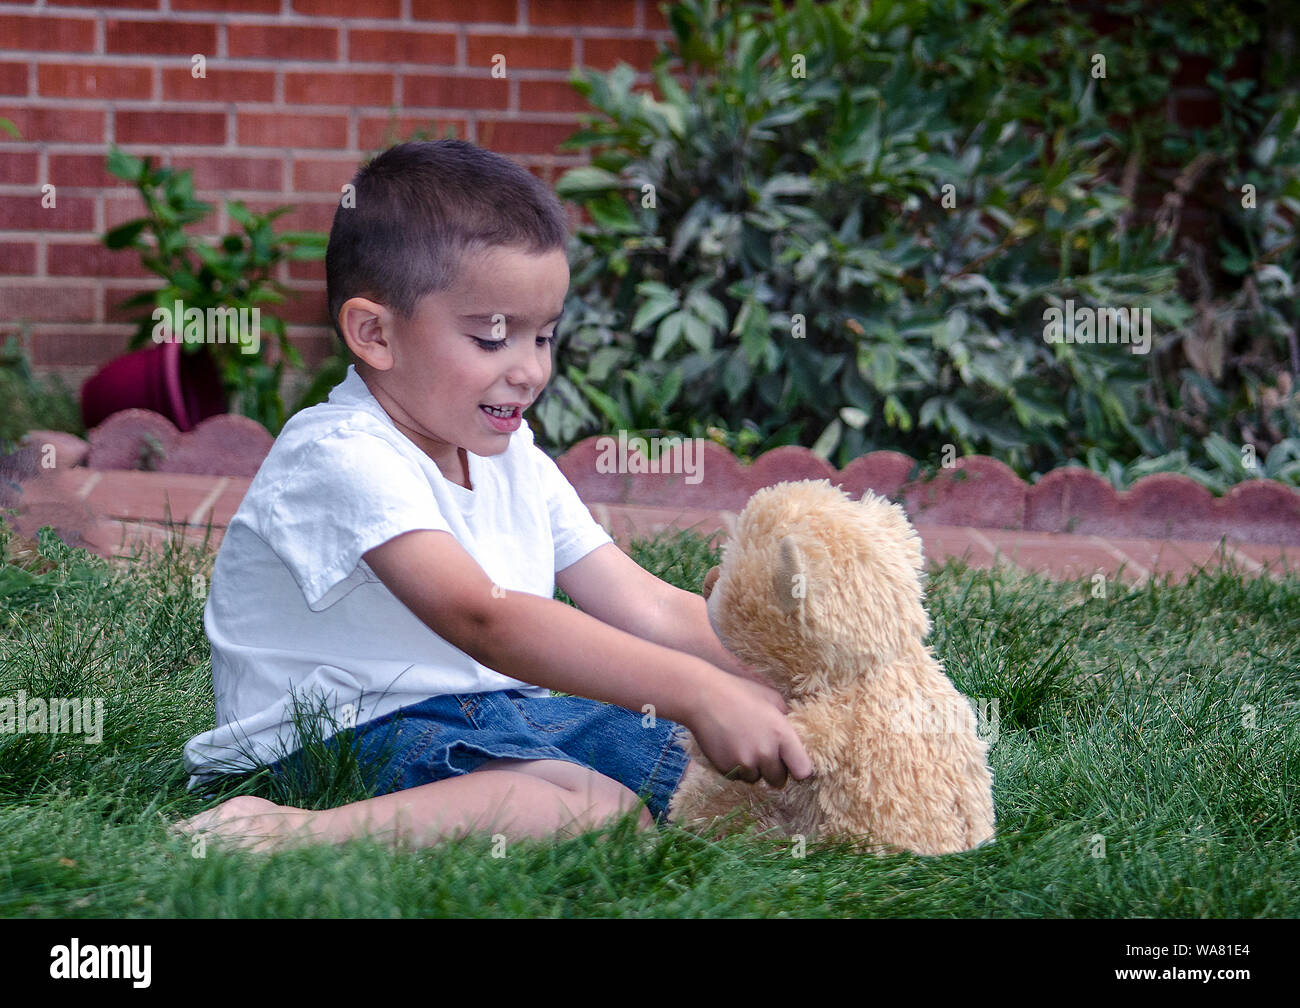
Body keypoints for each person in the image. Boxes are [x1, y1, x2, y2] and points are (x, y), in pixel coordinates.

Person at [175, 139, 811, 853]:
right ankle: (292, 832)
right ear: (374, 334)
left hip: (493, 715)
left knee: (702, 768)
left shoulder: (512, 458)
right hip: (341, 735)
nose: (530, 370)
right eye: (492, 339)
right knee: (600, 815)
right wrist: (696, 690)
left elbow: (648, 605)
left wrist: (783, 676)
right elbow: (484, 619)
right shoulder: (340, 455)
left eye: (544, 336)